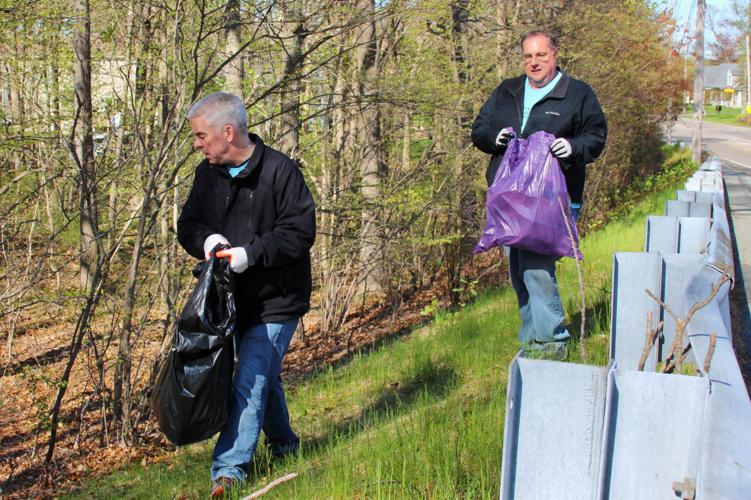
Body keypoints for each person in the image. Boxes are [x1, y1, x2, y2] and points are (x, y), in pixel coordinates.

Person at [177, 92, 316, 497]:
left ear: (228, 131)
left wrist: (250, 255)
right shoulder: (207, 176)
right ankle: (286, 447)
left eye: (201, 136)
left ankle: (229, 472)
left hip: (277, 300)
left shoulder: (280, 171)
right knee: (263, 376)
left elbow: (299, 233)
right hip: (229, 302)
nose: (197, 144)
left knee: (250, 378)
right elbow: (188, 225)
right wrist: (207, 241)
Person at [471, 30, 607, 358]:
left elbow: (596, 136)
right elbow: (479, 130)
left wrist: (573, 147)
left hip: (552, 200)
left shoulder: (576, 93)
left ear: (555, 55)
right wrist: (496, 138)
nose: (534, 63)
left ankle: (552, 344)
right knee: (519, 271)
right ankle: (532, 341)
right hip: (510, 201)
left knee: (536, 268)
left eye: (541, 56)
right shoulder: (507, 91)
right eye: (528, 56)